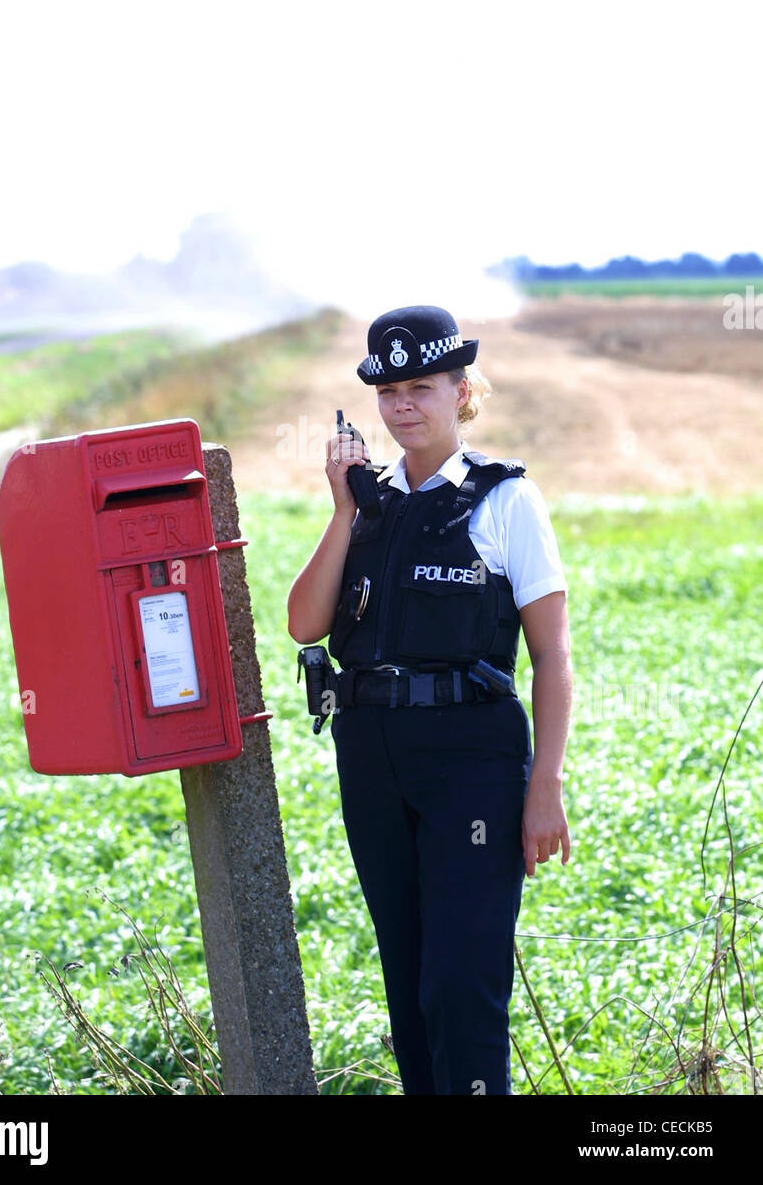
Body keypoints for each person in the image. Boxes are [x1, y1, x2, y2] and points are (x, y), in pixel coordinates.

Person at [287, 305, 572, 1096]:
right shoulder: (368, 507)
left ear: (460, 389)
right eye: (388, 390)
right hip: (372, 753)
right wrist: (344, 509)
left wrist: (543, 785)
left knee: (460, 982)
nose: (402, 404)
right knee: (410, 984)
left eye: (421, 386)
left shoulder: (506, 499)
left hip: (471, 759)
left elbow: (552, 655)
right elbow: (304, 623)